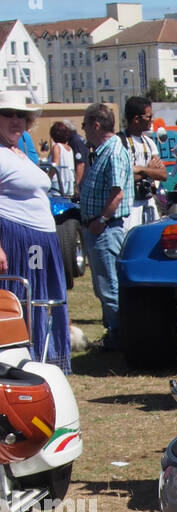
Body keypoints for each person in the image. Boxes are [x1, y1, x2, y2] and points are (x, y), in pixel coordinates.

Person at [0, 91, 71, 372]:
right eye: (8, 114)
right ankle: (18, 362)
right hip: (15, 237)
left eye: (21, 115)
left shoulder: (19, 152)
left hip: (41, 239)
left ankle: (45, 360)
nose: (15, 120)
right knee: (22, 299)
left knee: (42, 300)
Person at [79, 102, 133, 352]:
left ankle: (119, 337)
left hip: (106, 228)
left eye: (85, 125)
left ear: (96, 125)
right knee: (103, 285)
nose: (84, 131)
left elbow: (117, 193)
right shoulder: (103, 151)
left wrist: (100, 221)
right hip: (99, 228)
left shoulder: (112, 152)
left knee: (110, 286)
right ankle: (114, 333)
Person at [120, 95, 166, 233]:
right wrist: (150, 170)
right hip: (130, 206)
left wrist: (140, 169)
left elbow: (163, 174)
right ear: (136, 119)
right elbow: (123, 178)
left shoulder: (149, 142)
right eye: (148, 117)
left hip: (148, 202)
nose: (151, 121)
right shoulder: (121, 142)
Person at [47, 120, 78, 197]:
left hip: (58, 182)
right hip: (69, 182)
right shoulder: (69, 149)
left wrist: (48, 178)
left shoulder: (57, 147)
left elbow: (55, 165)